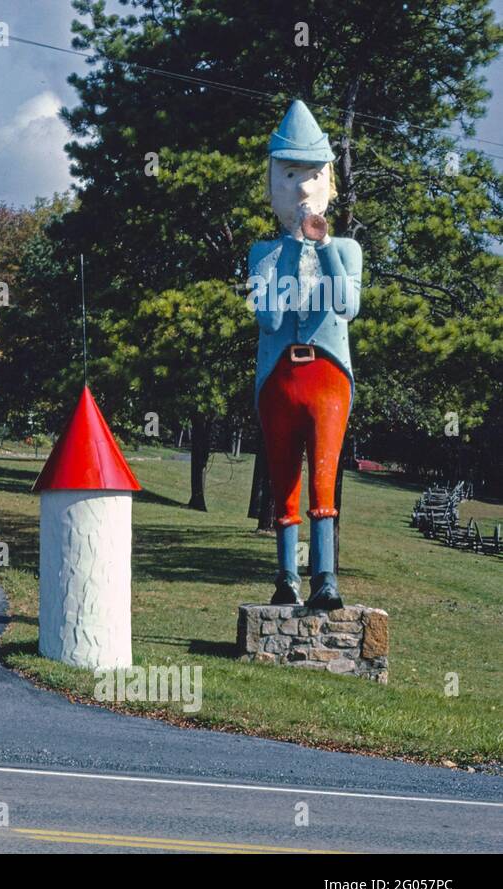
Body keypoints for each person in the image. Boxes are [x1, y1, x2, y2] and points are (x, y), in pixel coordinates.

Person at [248, 100, 363, 609]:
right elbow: (269, 317)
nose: (301, 188)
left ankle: (325, 578)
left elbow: (346, 304)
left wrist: (324, 246)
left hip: (327, 375)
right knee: (282, 478)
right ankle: (285, 578)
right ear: (272, 183)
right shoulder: (263, 254)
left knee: (323, 474)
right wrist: (293, 249)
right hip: (278, 378)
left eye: (312, 175)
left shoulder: (347, 250)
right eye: (289, 175)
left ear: (329, 184)